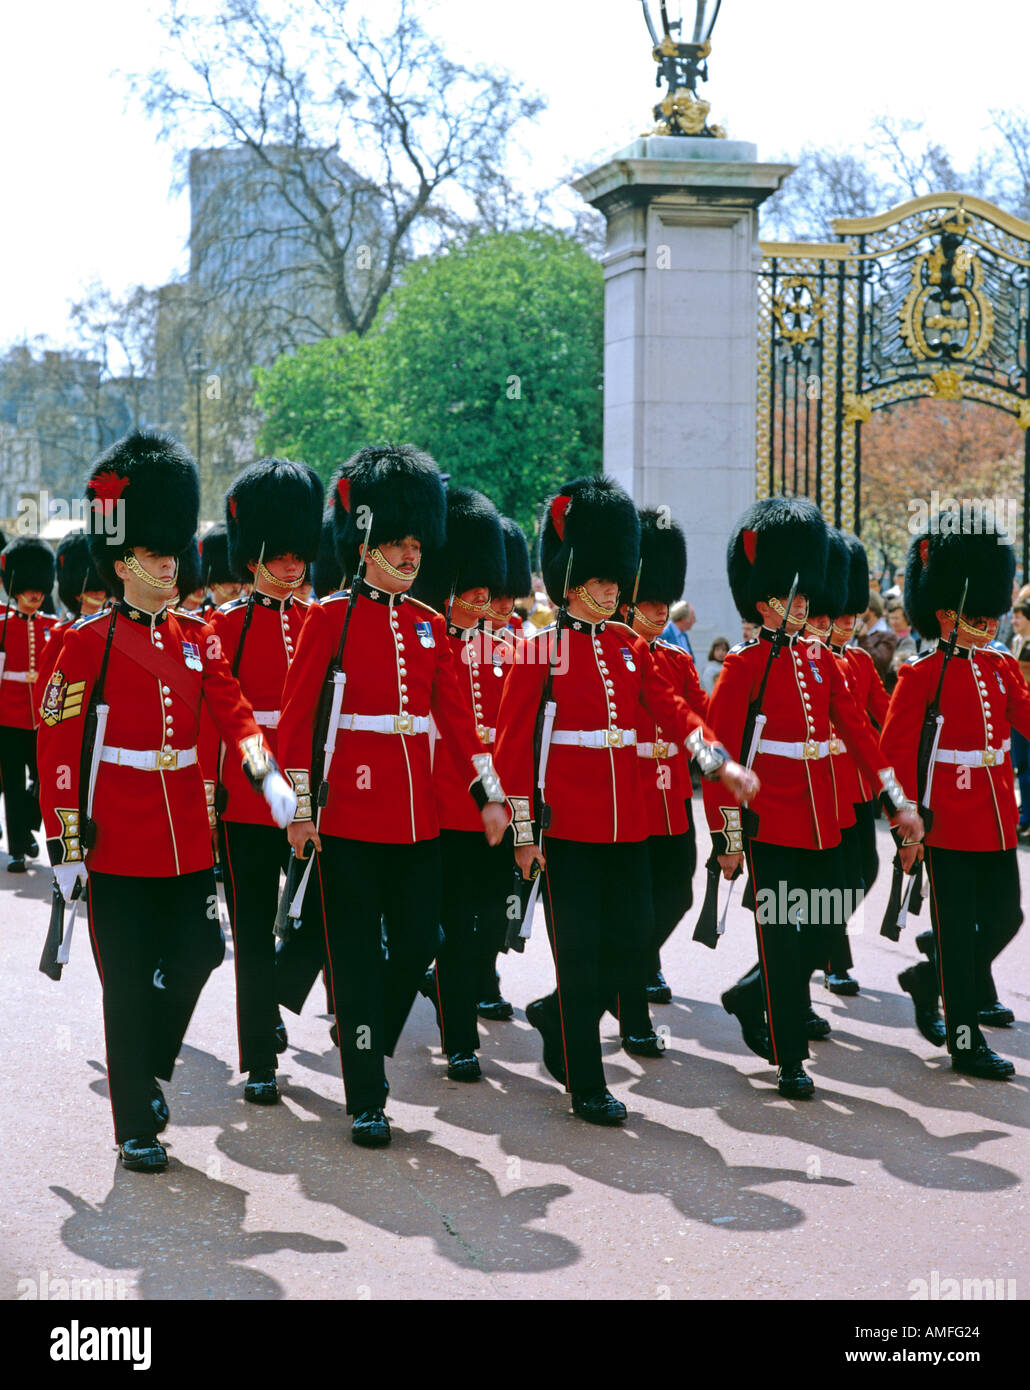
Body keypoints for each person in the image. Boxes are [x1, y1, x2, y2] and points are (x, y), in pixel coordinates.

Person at [37, 429, 296, 1173]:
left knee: (202, 950)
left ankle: (147, 1060)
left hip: (185, 831)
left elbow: (235, 711)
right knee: (125, 979)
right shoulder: (85, 641)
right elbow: (58, 748)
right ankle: (135, 1126)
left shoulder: (197, 638)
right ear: (123, 565)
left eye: (173, 554)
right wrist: (65, 845)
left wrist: (266, 774)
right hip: (115, 834)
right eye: (157, 557)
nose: (172, 566)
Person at [494, 476, 757, 1126]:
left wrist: (719, 762)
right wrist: (524, 833)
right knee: (581, 956)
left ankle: (558, 1018)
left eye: (618, 579)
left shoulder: (631, 649)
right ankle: (587, 1082)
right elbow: (512, 753)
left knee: (633, 940)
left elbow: (674, 715)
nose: (616, 590)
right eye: (604, 579)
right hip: (569, 831)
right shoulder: (539, 651)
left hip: (628, 830)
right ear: (572, 577)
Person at [277, 445, 509, 1148]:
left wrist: (490, 790)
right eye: (397, 543)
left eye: (416, 544)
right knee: (351, 953)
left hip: (418, 823)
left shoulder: (428, 625)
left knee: (417, 941)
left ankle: (360, 1022)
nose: (410, 556)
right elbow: (294, 723)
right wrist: (300, 808)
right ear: (364, 543)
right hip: (348, 818)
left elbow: (459, 720)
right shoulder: (329, 617)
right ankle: (366, 1096)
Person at [706, 498, 923, 1100]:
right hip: (770, 822)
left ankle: (754, 999)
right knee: (780, 932)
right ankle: (789, 1055)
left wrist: (897, 799)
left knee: (819, 927)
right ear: (766, 599)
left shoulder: (823, 663)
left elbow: (861, 737)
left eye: (807, 599)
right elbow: (715, 755)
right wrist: (727, 839)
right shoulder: (744, 666)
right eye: (795, 598)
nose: (805, 608)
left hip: (824, 820)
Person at [880, 527, 1030, 1079]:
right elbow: (891, 755)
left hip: (994, 816)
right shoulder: (922, 673)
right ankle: (965, 1044)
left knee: (1006, 916)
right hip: (944, 821)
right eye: (978, 612)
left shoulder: (999, 666)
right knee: (960, 928)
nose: (989, 622)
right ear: (947, 613)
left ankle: (932, 975)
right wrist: (905, 822)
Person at [202, 457, 323, 1106]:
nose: (291, 566)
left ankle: (274, 996)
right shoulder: (225, 626)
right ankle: (259, 1059)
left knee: (320, 918)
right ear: (253, 558)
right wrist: (207, 802)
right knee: (252, 931)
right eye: (278, 556)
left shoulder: (317, 620)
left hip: (308, 799)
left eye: (298, 554)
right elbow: (214, 723)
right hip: (247, 801)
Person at [412, 486, 509, 1081]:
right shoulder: (426, 644)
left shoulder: (506, 651)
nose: (482, 596)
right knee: (445, 923)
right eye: (471, 585)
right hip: (437, 802)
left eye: (485, 586)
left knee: (487, 927)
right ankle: (459, 1039)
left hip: (491, 804)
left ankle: (452, 995)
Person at [616, 508, 708, 1009]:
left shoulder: (677, 660)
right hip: (627, 795)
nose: (657, 614)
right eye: (647, 605)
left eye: (661, 605)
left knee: (678, 895)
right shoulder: (609, 657)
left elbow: (701, 716)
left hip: (671, 796)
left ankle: (630, 964)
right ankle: (638, 979)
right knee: (634, 902)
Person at [472, 515, 533, 1021]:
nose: (502, 603)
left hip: (503, 782)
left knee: (497, 894)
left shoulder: (517, 649)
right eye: (495, 593)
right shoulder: (451, 642)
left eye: (507, 593)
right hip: (457, 784)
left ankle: (485, 973)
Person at [826, 532, 890, 990]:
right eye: (841, 617)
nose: (848, 625)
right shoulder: (799, 659)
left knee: (865, 869)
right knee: (833, 875)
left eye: (854, 617)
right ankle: (834, 959)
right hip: (816, 784)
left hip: (857, 785)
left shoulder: (861, 662)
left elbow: (884, 717)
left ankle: (821, 944)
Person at [0, 536, 58, 872]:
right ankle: (18, 850)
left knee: (43, 780)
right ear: (15, 586)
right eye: (29, 588)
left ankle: (27, 829)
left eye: (40, 588)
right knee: (12, 783)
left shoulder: (51, 626)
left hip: (41, 718)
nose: (36, 595)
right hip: (7, 717)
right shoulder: (3, 624)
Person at [855, 591, 896, 685]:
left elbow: (879, 663)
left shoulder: (888, 635)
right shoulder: (857, 630)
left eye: (862, 607)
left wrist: (863, 638)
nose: (858, 610)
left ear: (872, 610)